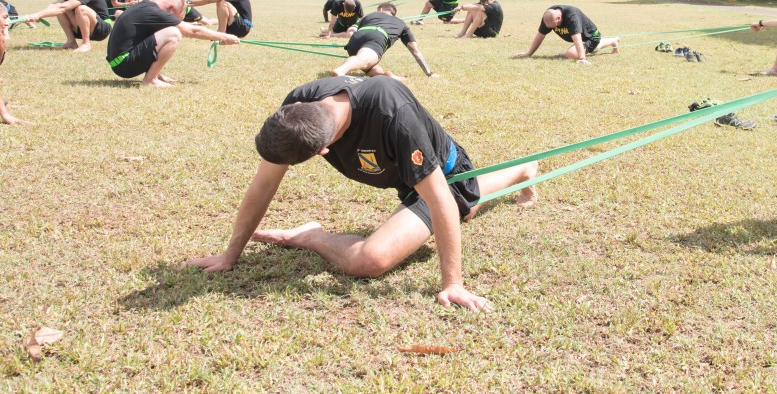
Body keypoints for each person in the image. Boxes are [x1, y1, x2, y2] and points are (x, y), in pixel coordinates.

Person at [185, 74, 538, 311]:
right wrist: (230, 255)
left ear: (323, 150)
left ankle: (310, 236)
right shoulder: (298, 110)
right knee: (463, 207)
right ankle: (521, 170)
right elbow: (264, 183)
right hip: (403, 172)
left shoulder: (392, 114)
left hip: (444, 176)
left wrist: (453, 284)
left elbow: (439, 197)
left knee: (370, 260)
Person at [106, 0, 239, 87]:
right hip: (123, 64)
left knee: (169, 31)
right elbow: (192, 31)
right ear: (170, 8)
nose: (173, 20)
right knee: (173, 33)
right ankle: (151, 80)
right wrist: (224, 37)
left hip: (120, 61)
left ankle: (155, 75)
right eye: (175, 17)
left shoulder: (147, 5)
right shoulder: (153, 12)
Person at [327, 3, 436, 80]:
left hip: (355, 39)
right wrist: (429, 73)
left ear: (381, 10)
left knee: (367, 66)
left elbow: (353, 29)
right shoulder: (401, 23)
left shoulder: (369, 16)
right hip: (376, 37)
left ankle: (387, 76)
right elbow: (415, 50)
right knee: (363, 59)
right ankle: (341, 71)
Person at [22, 0, 112, 53]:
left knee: (81, 9)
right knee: (59, 7)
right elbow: (55, 6)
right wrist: (38, 15)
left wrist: (39, 15)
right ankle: (71, 42)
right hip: (83, 27)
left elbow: (62, 7)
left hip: (101, 30)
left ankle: (86, 44)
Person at [515, 5, 618, 64]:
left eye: (553, 26)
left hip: (591, 36)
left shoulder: (572, 16)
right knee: (578, 49)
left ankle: (611, 41)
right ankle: (613, 41)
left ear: (559, 18)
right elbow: (540, 35)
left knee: (571, 54)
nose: (552, 29)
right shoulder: (549, 16)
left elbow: (577, 38)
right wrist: (529, 53)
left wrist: (582, 58)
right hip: (580, 38)